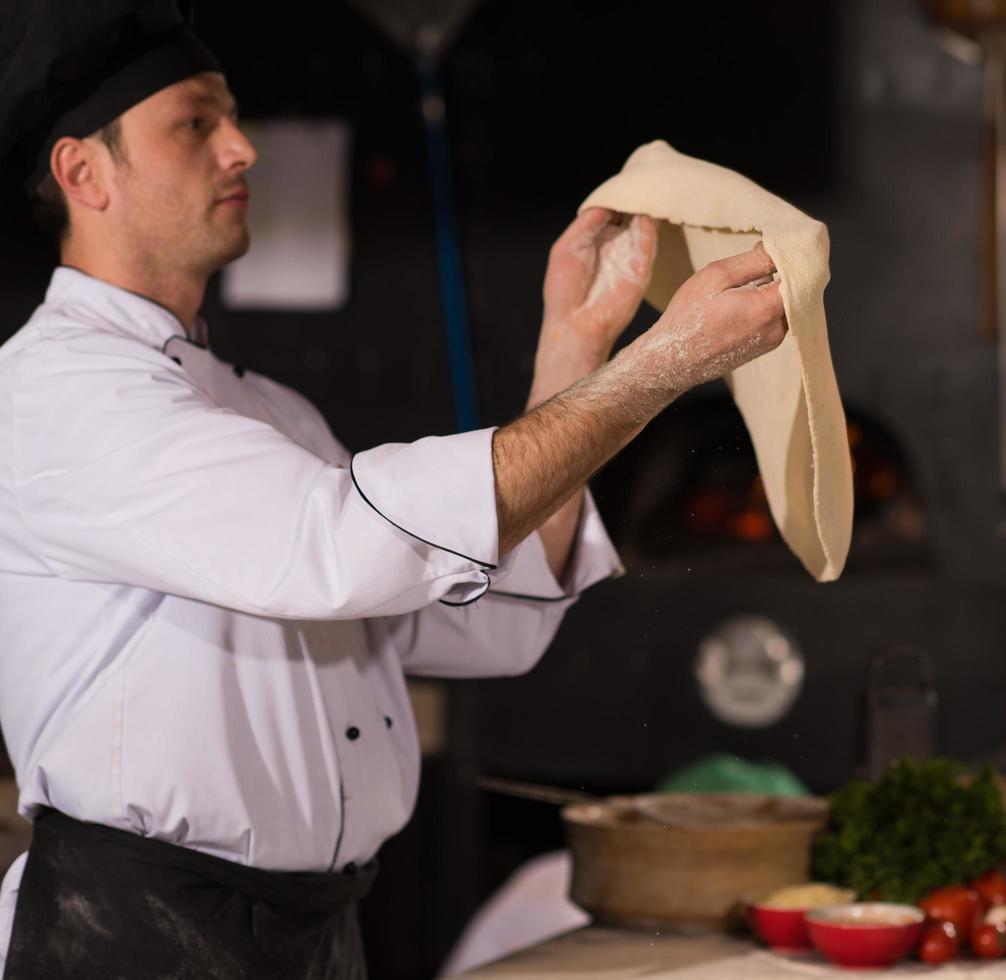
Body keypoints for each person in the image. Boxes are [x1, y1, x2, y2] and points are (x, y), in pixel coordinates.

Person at [0, 2, 788, 977]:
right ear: (84, 171)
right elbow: (337, 547)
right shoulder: (55, 390)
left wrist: (573, 348)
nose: (243, 148)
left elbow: (487, 618)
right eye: (196, 122)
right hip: (131, 938)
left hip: (320, 929)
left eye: (233, 116)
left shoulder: (272, 413)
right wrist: (660, 367)